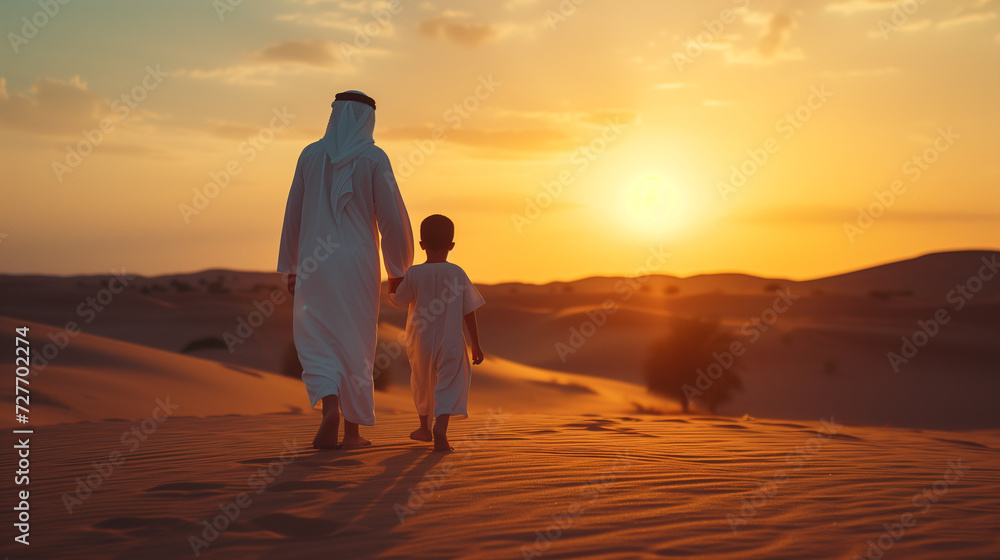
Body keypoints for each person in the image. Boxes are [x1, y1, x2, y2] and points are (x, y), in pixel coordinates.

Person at [277, 90, 414, 449]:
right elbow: (392, 218)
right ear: (367, 119)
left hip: (314, 263)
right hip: (357, 263)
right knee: (356, 342)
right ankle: (352, 434)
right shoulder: (374, 158)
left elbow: (293, 212)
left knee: (317, 338)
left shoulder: (309, 155)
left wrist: (291, 265)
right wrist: (398, 269)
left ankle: (330, 408)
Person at [389, 214, 485, 452]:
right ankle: (440, 426)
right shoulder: (457, 273)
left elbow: (399, 300)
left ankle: (424, 429)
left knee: (422, 382)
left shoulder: (413, 273)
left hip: (420, 342)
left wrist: (392, 289)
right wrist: (475, 343)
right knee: (449, 382)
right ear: (451, 245)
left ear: (421, 244)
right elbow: (468, 310)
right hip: (450, 340)